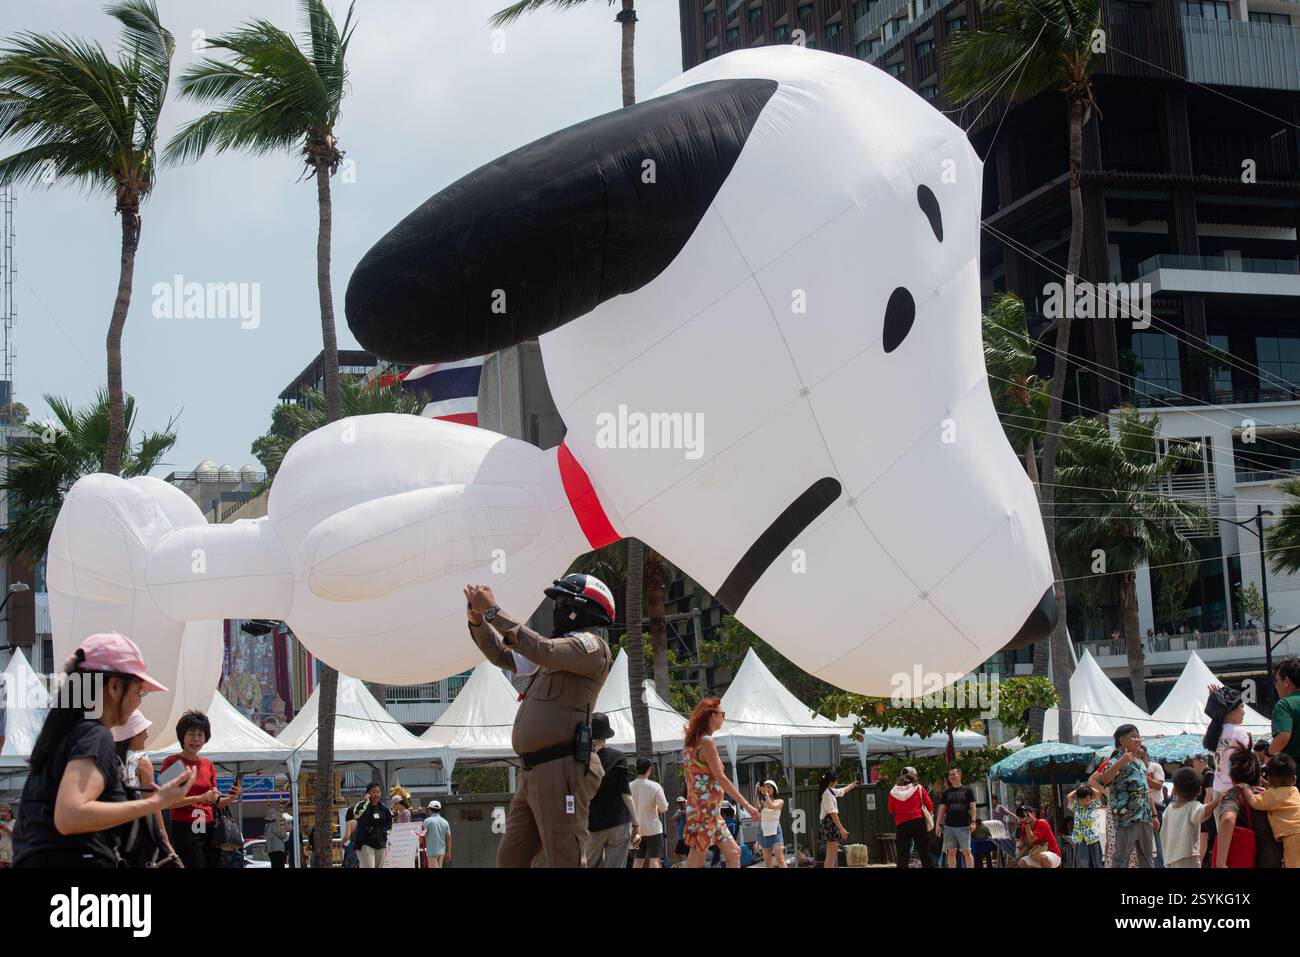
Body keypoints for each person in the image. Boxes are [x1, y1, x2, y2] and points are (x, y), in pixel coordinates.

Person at [465, 574, 615, 868]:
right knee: (511, 859)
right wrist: (478, 623)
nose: (558, 607)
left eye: (563, 601)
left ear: (582, 608)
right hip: (534, 770)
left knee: (565, 860)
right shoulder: (558, 651)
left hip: (563, 768)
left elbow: (541, 649)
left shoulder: (592, 647)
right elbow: (503, 657)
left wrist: (494, 612)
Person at [12, 632, 197, 867]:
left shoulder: (61, 736)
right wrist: (156, 802)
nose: (140, 701)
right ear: (115, 687)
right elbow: (70, 816)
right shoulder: (94, 735)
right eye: (139, 691)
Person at [680, 698, 758, 868]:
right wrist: (747, 805)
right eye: (722, 714)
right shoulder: (706, 742)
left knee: (733, 853)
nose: (723, 717)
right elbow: (721, 778)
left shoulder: (691, 743)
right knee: (696, 861)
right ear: (712, 715)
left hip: (708, 811)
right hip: (705, 812)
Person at [158, 708, 241, 869]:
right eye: (191, 734)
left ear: (206, 738)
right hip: (183, 828)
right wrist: (198, 799)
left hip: (210, 828)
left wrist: (231, 797)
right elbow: (164, 802)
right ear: (182, 736)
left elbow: (216, 801)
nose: (195, 739)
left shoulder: (208, 764)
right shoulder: (173, 763)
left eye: (200, 735)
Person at [112, 709, 178, 864]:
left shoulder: (108, 757)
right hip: (136, 832)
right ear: (134, 733)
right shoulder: (141, 761)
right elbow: (152, 806)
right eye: (144, 730)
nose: (147, 735)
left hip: (111, 830)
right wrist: (165, 840)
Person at [1097, 724, 1158, 868]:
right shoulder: (1114, 760)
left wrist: (1154, 815)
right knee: (1121, 859)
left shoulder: (1140, 763)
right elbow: (1104, 780)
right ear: (1122, 740)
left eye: (1138, 736)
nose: (1138, 739)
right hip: (1126, 819)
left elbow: (1146, 790)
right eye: (1133, 736)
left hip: (1144, 817)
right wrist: (1121, 762)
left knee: (1147, 860)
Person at [1204, 685, 1251, 868]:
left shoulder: (1215, 733)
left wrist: (1216, 698)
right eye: (1241, 707)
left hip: (1218, 792)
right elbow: (1248, 767)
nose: (1244, 712)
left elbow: (1216, 717)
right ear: (1230, 711)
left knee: (1223, 841)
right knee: (1240, 840)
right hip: (1235, 793)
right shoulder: (1241, 734)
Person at [585, 712, 635, 867]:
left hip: (592, 825)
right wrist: (636, 824)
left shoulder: (581, 758)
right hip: (618, 822)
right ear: (606, 735)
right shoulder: (618, 757)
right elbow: (625, 794)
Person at [1161, 767, 1222, 868]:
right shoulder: (1193, 806)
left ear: (1175, 791)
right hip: (1187, 857)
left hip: (1169, 857)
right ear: (1200, 790)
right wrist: (1218, 799)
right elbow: (1205, 812)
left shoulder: (1169, 809)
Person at [1247, 754, 1300, 868]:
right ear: (1294, 779)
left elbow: (1254, 802)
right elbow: (1279, 790)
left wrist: (1245, 787)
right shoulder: (1294, 791)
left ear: (1269, 779)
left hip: (1293, 837)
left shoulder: (1271, 795)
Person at [888, 770, 934, 869]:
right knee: (924, 853)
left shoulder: (893, 792)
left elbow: (891, 810)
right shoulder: (918, 788)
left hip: (901, 824)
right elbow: (930, 805)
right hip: (918, 822)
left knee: (902, 855)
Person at [629, 757, 668, 868]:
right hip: (653, 828)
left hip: (635, 829)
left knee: (638, 860)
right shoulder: (655, 786)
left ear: (636, 769)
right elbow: (663, 808)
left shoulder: (629, 786)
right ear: (649, 769)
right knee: (654, 861)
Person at [935, 767, 977, 869]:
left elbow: (973, 807)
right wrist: (937, 825)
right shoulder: (946, 792)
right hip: (949, 827)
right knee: (951, 852)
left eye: (954, 774)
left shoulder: (968, 790)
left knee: (967, 851)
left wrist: (973, 822)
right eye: (950, 775)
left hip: (964, 826)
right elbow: (941, 809)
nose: (952, 776)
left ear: (960, 775)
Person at [819, 770, 860, 868]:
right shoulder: (826, 794)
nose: (837, 782)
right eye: (836, 781)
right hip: (830, 823)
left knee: (832, 855)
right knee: (831, 855)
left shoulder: (829, 791)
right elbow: (833, 814)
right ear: (830, 782)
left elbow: (842, 791)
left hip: (830, 824)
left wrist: (853, 784)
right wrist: (842, 830)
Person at [351, 782, 393, 868]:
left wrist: (384, 830)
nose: (376, 794)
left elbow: (390, 820)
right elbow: (357, 815)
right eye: (373, 791)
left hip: (380, 843)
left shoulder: (383, 808)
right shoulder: (361, 805)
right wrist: (366, 802)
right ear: (368, 793)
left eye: (378, 791)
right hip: (365, 843)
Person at [1268, 657, 1300, 764]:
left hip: (1293, 774)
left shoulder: (1285, 705)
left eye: (1276, 681)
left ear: (1286, 682)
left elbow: (1283, 737)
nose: (1275, 685)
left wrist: (1268, 753)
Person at [1066, 785, 1104, 868]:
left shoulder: (1094, 806)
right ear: (1078, 800)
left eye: (1087, 800)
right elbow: (1069, 797)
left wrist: (1087, 788)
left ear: (1091, 798)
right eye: (1082, 800)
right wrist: (1078, 790)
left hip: (1094, 837)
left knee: (1097, 861)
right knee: (1082, 861)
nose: (1085, 802)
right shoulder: (1077, 808)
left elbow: (1097, 793)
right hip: (1081, 838)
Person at [754, 779, 787, 868]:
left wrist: (765, 793)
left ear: (774, 789)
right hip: (763, 833)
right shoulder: (763, 803)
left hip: (776, 832)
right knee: (768, 863)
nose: (767, 789)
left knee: (780, 859)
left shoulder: (780, 801)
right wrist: (757, 792)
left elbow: (772, 806)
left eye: (769, 787)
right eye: (765, 787)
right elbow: (756, 809)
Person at [422, 800, 452, 867]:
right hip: (442, 852)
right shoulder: (445, 822)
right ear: (439, 810)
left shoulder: (427, 821)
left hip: (431, 851)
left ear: (429, 809)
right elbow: (449, 838)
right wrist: (449, 852)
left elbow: (422, 835)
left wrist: (416, 847)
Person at [671, 795, 689, 863]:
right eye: (679, 803)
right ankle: (684, 864)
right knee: (677, 853)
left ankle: (689, 864)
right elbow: (673, 819)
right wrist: (679, 814)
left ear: (685, 802)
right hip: (681, 837)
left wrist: (685, 814)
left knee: (689, 854)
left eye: (682, 803)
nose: (680, 805)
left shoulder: (689, 810)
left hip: (688, 836)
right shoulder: (679, 811)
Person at [342, 804, 359, 868]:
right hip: (361, 846)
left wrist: (342, 843)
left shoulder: (350, 822)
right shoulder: (361, 821)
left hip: (352, 847)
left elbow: (347, 836)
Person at [0, 802, 13, 868]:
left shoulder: (15, 822)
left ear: (10, 812)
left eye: (4, 814)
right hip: (2, 849)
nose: (3, 816)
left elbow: (16, 836)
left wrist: (6, 829)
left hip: (11, 849)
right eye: (2, 815)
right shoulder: (2, 822)